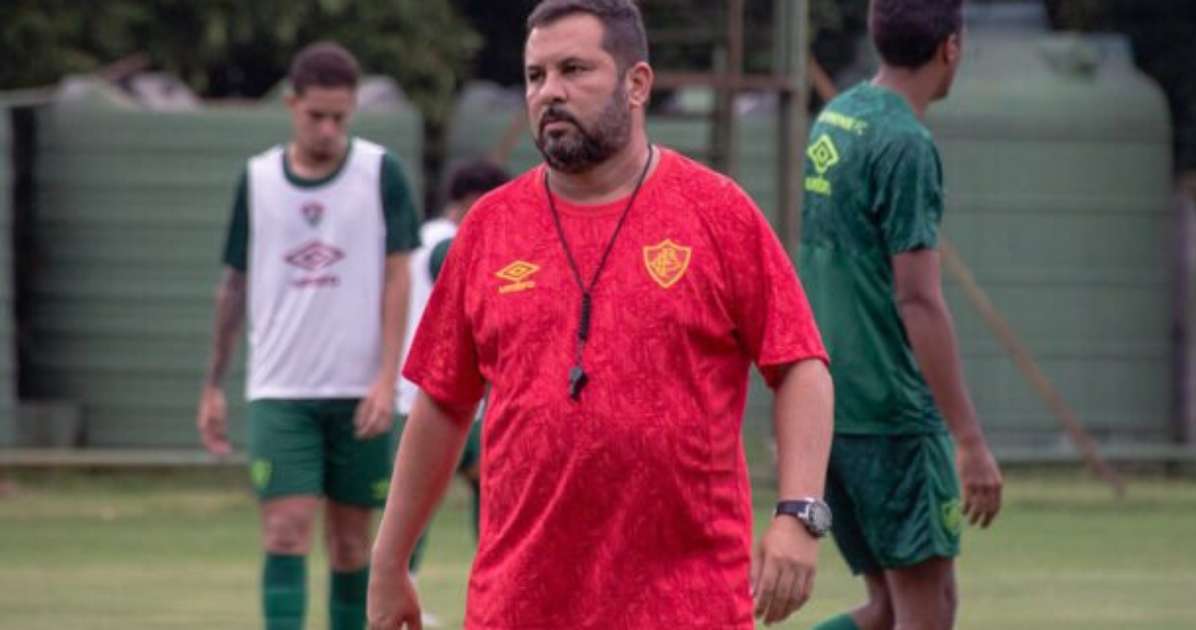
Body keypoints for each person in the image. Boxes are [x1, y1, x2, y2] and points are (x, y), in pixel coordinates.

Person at [367, 1, 835, 628]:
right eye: (535, 76)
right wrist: (390, 561)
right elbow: (442, 402)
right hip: (520, 606)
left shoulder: (717, 212)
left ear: (636, 83)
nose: (549, 93)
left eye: (573, 70)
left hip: (688, 605)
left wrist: (800, 512)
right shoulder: (489, 229)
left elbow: (800, 363)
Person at [196, 41, 420, 630]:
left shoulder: (380, 173)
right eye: (316, 115)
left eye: (340, 117)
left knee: (351, 545)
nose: (327, 128)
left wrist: (385, 378)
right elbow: (233, 284)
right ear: (292, 104)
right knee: (286, 530)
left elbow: (399, 277)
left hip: (360, 391)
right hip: (280, 388)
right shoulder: (259, 178)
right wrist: (213, 385)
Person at [798, 1, 1004, 629]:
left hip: (830, 404)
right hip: (890, 414)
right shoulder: (905, 143)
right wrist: (969, 441)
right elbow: (916, 297)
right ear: (952, 48)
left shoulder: (836, 118)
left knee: (887, 609)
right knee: (929, 608)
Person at [395, 159, 510, 614]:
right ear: (470, 202)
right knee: (416, 505)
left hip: (465, 406)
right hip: (424, 403)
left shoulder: (428, 239)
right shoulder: (445, 243)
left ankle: (501, 585)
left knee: (494, 491)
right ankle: (406, 593)